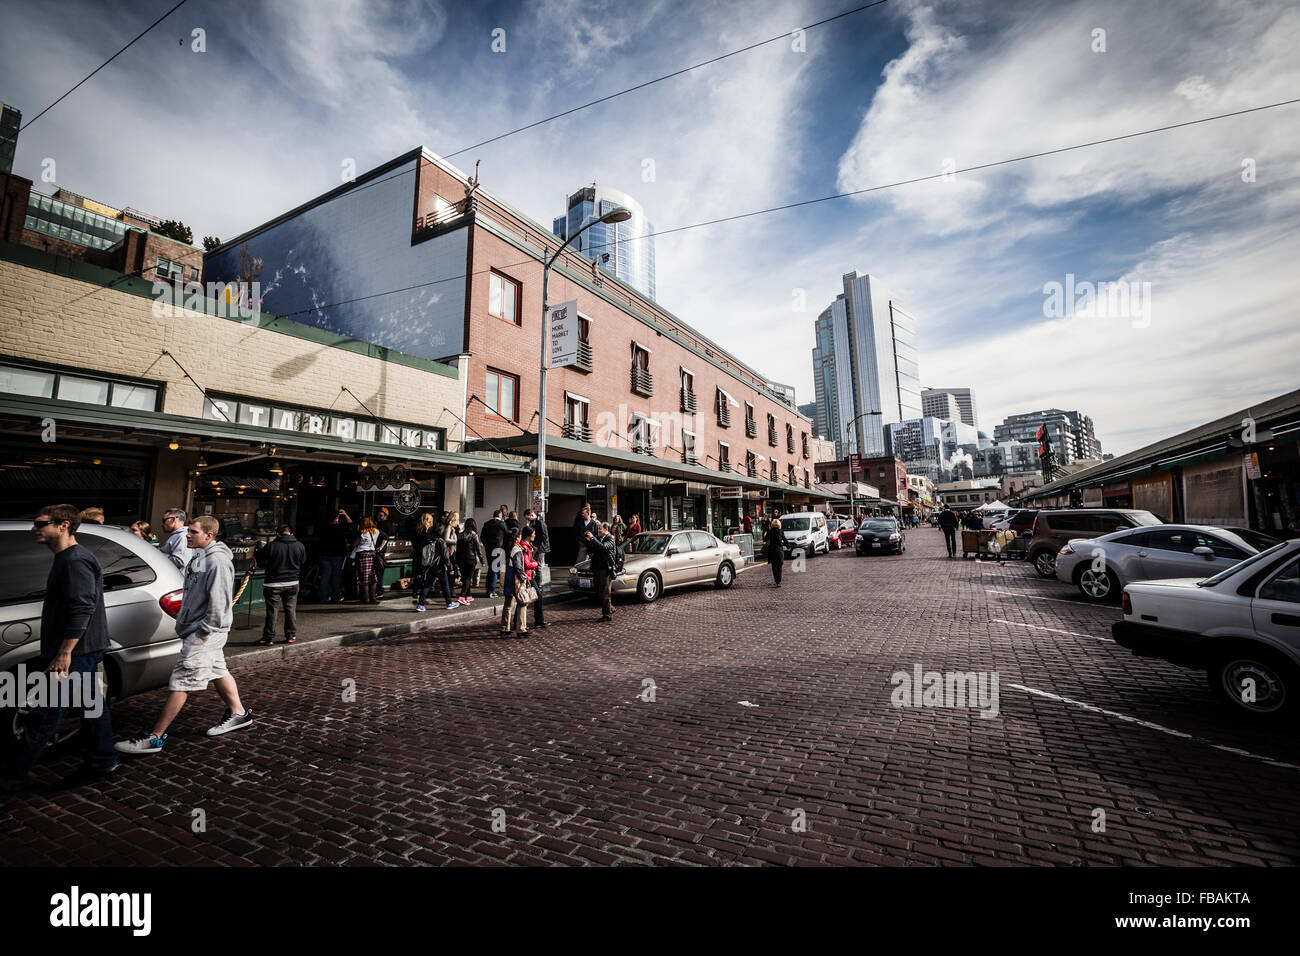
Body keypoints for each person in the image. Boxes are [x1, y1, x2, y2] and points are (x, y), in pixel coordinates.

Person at [1, 505, 116, 809]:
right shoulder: (67, 558)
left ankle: (5, 788)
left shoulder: (75, 561)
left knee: (41, 719)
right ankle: (103, 761)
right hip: (84, 651)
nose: (34, 529)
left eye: (41, 524)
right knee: (93, 708)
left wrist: (64, 653)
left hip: (75, 653)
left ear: (63, 525)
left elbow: (82, 608)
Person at [115, 515, 252, 755]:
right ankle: (238, 713)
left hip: (205, 631)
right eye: (189, 531)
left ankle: (155, 737)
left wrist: (203, 634)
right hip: (198, 628)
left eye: (194, 532)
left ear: (209, 536)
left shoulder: (217, 562)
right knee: (217, 669)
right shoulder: (201, 555)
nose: (187, 535)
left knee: (182, 680)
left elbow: (219, 606)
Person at [256, 525, 306, 646]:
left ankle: (268, 637)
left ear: (277, 534)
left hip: (273, 583)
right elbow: (303, 561)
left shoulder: (272, 546)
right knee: (290, 609)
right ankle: (291, 635)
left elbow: (261, 561)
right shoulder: (299, 545)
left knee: (272, 611)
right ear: (291, 533)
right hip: (293, 582)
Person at [500, 529, 533, 637]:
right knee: (522, 603)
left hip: (509, 577)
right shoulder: (517, 549)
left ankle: (504, 628)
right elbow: (518, 566)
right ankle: (521, 629)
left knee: (508, 604)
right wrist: (524, 578)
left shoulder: (509, 547)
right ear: (517, 537)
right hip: (516, 578)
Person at [585, 522, 619, 622]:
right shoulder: (599, 538)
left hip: (606, 569)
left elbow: (603, 547)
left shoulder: (610, 539)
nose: (598, 531)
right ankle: (611, 608)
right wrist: (589, 541)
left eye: (600, 529)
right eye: (598, 529)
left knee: (605, 593)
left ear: (606, 530)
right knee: (599, 592)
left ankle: (607, 615)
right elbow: (593, 549)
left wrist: (592, 538)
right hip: (597, 568)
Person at [318, 509, 353, 603]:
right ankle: (336, 596)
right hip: (338, 555)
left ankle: (323, 597)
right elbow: (350, 524)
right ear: (337, 517)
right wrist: (345, 514)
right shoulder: (340, 527)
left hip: (324, 554)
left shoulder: (323, 526)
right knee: (336, 576)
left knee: (325, 576)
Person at [520, 521, 549, 629]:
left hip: (529, 575)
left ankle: (537, 621)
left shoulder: (528, 545)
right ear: (528, 536)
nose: (535, 535)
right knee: (528, 599)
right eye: (533, 534)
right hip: (527, 577)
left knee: (528, 599)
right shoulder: (524, 547)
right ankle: (537, 621)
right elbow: (527, 563)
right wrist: (536, 564)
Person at [455, 517, 486, 605]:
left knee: (465, 578)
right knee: (468, 578)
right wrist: (482, 560)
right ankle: (462, 596)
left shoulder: (460, 535)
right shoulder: (474, 535)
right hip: (471, 559)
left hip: (461, 559)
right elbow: (478, 549)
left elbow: (458, 549)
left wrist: (457, 561)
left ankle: (468, 595)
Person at [349, 517, 380, 604]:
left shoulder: (362, 533)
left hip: (363, 556)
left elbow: (355, 543)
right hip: (372, 555)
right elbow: (385, 536)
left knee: (364, 578)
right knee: (373, 577)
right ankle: (373, 597)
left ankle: (366, 598)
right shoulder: (376, 531)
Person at [482, 507, 508, 598]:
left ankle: (488, 588)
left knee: (490, 569)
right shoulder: (502, 524)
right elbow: (507, 536)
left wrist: (487, 545)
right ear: (500, 516)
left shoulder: (486, 524)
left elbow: (482, 537)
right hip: (499, 549)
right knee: (495, 570)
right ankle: (491, 591)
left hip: (489, 549)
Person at [373, 509, 391, 595]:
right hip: (376, 550)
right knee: (376, 572)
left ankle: (379, 590)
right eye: (378, 515)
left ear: (385, 516)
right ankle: (377, 590)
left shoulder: (386, 524)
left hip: (379, 552)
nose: (379, 517)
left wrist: (380, 548)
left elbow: (386, 537)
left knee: (378, 571)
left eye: (381, 515)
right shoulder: (378, 523)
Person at [766, 517, 785, 587]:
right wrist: (788, 546)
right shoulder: (780, 531)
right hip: (779, 551)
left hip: (772, 551)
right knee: (779, 567)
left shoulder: (770, 531)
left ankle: (776, 580)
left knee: (774, 567)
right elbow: (785, 539)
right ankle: (779, 581)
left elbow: (766, 538)